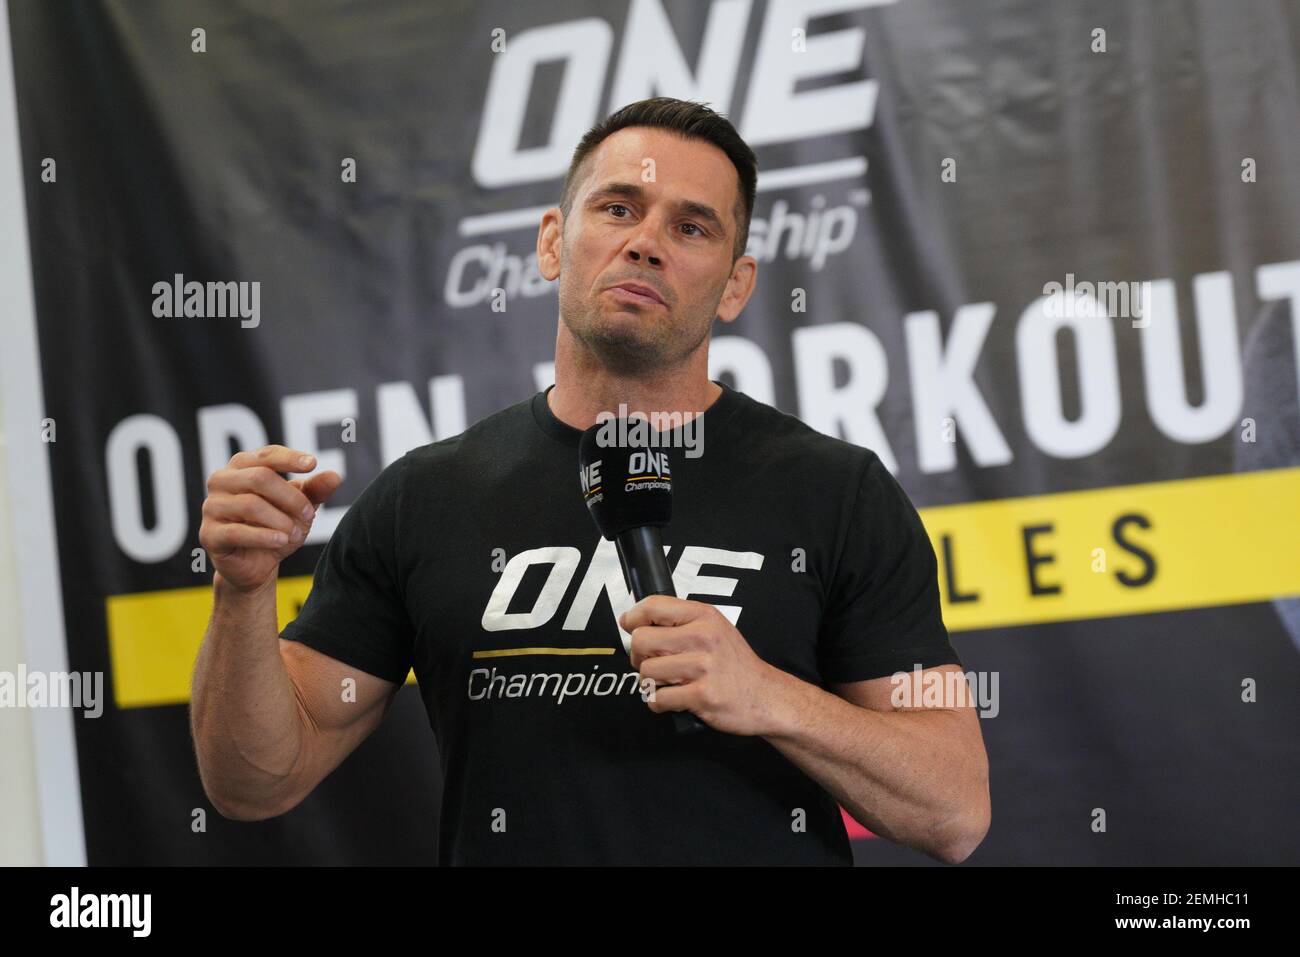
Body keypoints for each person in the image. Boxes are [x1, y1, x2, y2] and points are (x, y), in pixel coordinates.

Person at [191, 96, 990, 866]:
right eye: (617, 208)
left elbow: (953, 810)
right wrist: (242, 591)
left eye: (690, 226)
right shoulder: (422, 499)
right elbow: (253, 781)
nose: (646, 243)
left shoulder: (835, 491)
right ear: (550, 242)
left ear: (736, 284)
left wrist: (769, 696)